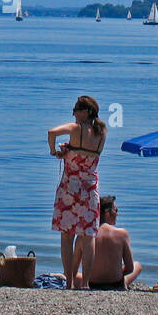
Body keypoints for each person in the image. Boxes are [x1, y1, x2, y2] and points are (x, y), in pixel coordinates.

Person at [48, 95, 106, 288]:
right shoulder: (102, 133)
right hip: (90, 190)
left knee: (67, 235)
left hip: (70, 189)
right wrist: (71, 149)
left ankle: (70, 281)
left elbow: (52, 132)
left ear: (85, 111)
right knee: (89, 236)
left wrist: (54, 151)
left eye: (75, 110)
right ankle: (86, 283)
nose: (73, 114)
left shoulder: (76, 129)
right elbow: (86, 154)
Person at [86, 195, 142, 290]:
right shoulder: (121, 233)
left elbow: (78, 266)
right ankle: (123, 282)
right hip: (116, 284)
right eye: (116, 210)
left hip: (92, 284)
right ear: (107, 213)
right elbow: (129, 268)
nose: (117, 214)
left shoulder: (87, 234)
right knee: (137, 265)